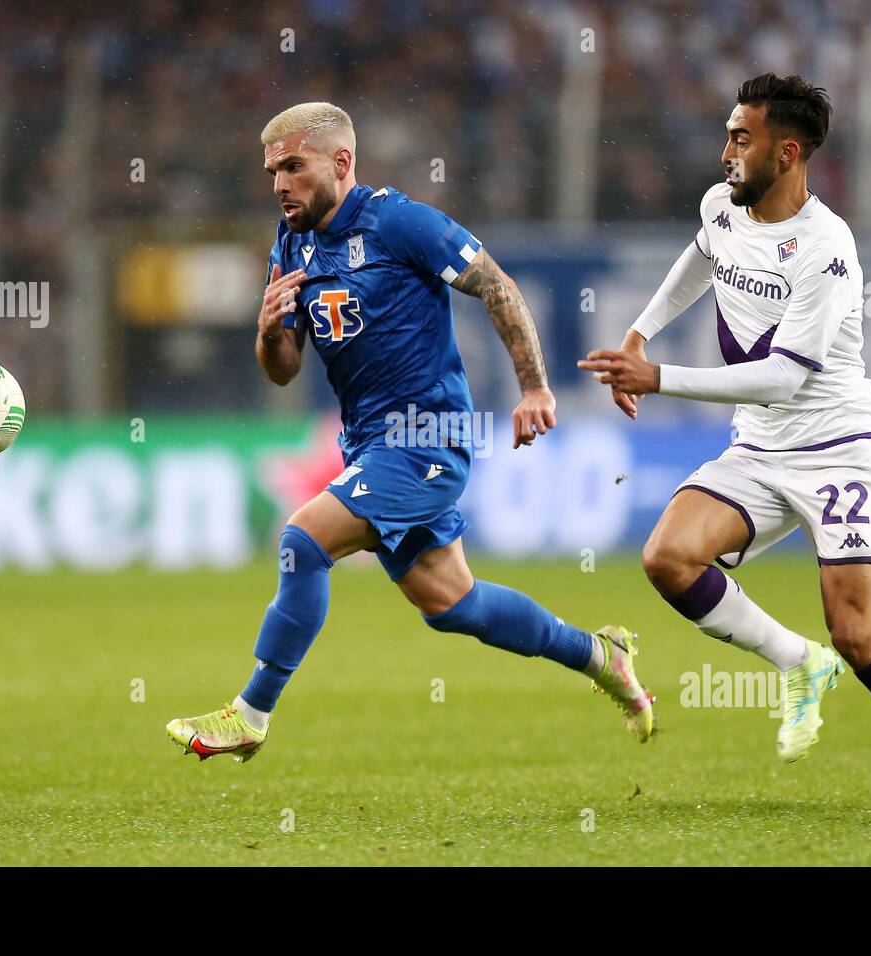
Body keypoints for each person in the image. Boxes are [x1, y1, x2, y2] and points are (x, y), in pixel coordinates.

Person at [168, 102, 653, 762]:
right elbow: (283, 371)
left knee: (302, 542)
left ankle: (251, 714)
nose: (278, 183)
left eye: (292, 166)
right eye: (271, 171)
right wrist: (268, 331)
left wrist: (535, 387)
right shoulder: (293, 244)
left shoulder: (402, 224)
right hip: (371, 445)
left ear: (340, 163)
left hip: (427, 439)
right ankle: (600, 654)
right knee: (454, 604)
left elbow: (499, 289)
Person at [579, 74, 871, 815]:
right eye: (729, 134)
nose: (726, 153)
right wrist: (640, 331)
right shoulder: (723, 206)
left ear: (789, 151)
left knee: (859, 633)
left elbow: (781, 378)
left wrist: (657, 377)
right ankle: (797, 661)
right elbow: (700, 259)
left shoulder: (827, 249)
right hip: (762, 447)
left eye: (742, 139)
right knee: (668, 557)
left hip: (840, 444)